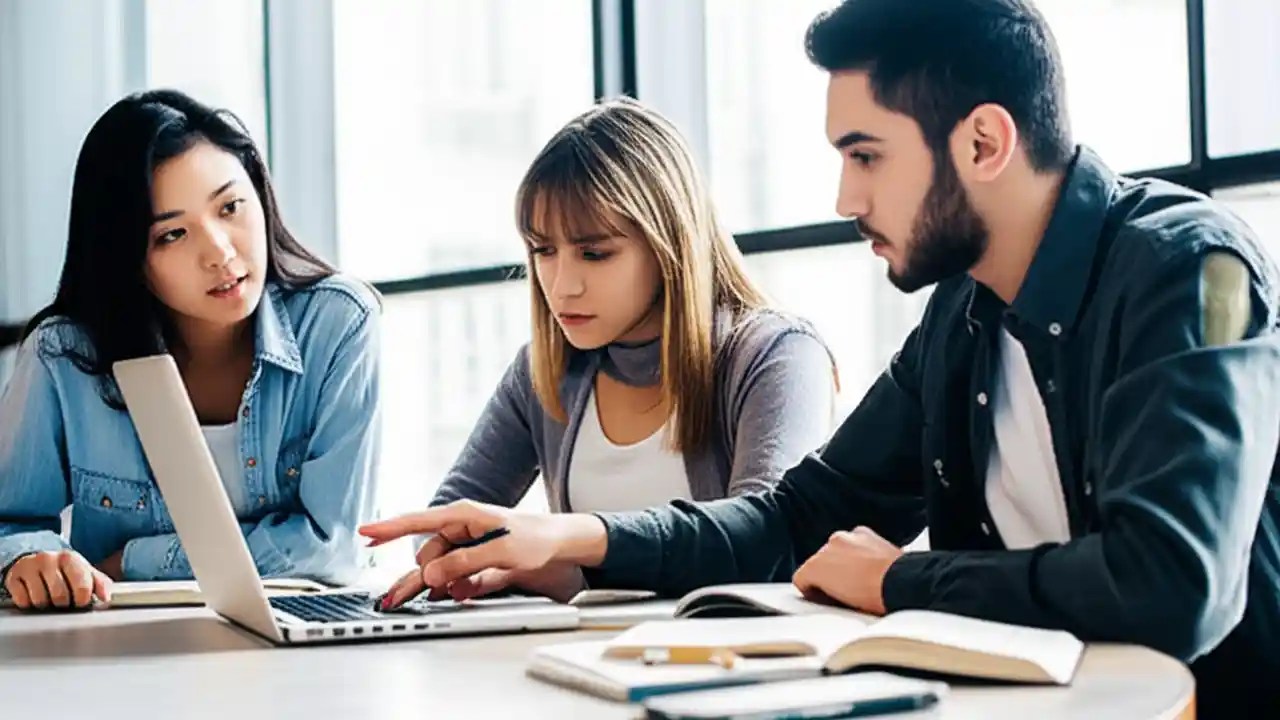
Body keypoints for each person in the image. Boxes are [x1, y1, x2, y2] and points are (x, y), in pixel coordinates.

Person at [362, 1, 1280, 714]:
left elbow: (1172, 585)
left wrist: (897, 580)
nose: (845, 197)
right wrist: (576, 539)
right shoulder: (962, 312)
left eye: (866, 156)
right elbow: (799, 516)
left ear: (983, 142)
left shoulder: (1192, 269)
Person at [390, 98, 837, 603]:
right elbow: (447, 521)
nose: (562, 286)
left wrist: (568, 562)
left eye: (594, 253)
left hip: (729, 647)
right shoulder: (543, 369)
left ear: (669, 244)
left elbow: (768, 549)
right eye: (543, 251)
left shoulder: (776, 356)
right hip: (590, 646)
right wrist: (475, 559)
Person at [0, 90, 382, 611]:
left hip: (296, 636)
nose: (220, 252)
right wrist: (27, 560)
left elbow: (332, 546)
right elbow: (10, 523)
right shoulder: (64, 356)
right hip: (124, 639)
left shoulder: (337, 324)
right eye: (173, 234)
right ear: (126, 256)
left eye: (230, 207)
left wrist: (132, 561)